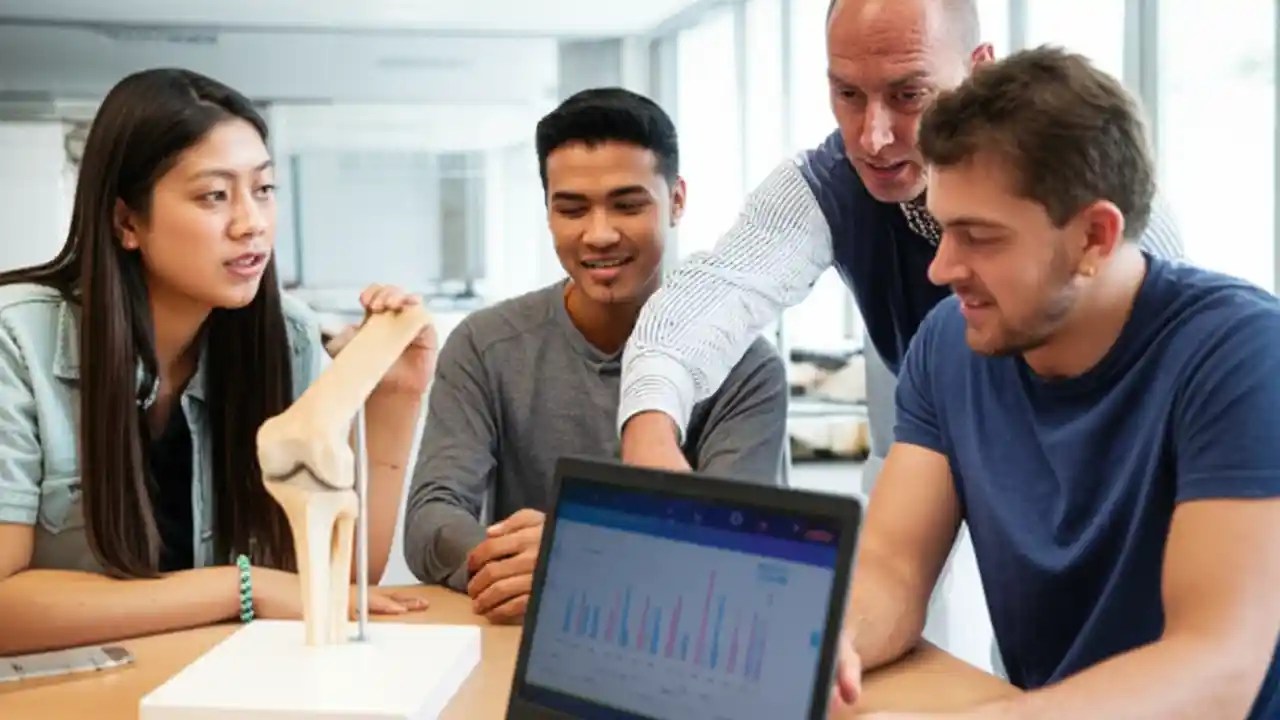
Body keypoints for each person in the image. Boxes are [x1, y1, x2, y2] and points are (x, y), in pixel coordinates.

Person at [830, 46, 1280, 719]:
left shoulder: (1244, 355)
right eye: (943, 228)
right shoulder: (949, 345)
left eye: (980, 237)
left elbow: (1215, 668)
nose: (941, 269)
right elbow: (892, 568)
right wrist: (835, 640)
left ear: (1095, 236)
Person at [616, 0, 1183, 490]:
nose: (873, 137)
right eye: (847, 94)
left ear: (978, 70)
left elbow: (1162, 364)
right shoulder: (832, 189)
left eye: (909, 94)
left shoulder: (1099, 195)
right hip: (950, 472)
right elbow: (716, 293)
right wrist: (651, 432)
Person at [0, 68, 438, 656]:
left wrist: (392, 397)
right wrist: (239, 588)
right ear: (127, 221)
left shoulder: (286, 336)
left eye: (264, 189)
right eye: (214, 195)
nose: (251, 223)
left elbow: (335, 585)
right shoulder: (14, 341)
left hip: (216, 683)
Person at [403, 88, 788, 624]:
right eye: (572, 209)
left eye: (628, 205)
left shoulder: (746, 366)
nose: (599, 234)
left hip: (675, 636)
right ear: (548, 213)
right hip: (520, 634)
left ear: (677, 201)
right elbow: (432, 517)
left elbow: (734, 544)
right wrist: (512, 564)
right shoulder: (484, 345)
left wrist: (577, 557)